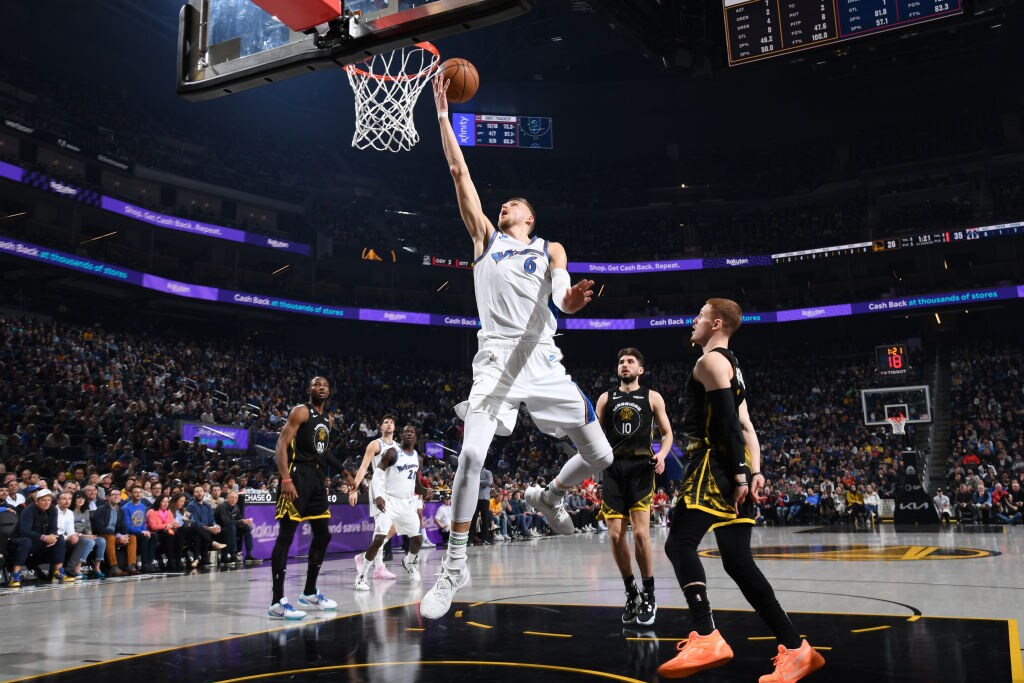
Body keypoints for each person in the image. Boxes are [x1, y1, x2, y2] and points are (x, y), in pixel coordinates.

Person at [421, 71, 614, 620]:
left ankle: (549, 495)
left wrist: (574, 297)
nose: (504, 205)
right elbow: (459, 170)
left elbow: (563, 298)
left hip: (544, 358)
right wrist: (440, 113)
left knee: (601, 457)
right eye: (502, 204)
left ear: (530, 218)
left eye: (513, 205)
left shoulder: (548, 249)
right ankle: (454, 566)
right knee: (473, 456)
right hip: (497, 360)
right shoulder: (484, 239)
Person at [658, 299, 825, 682]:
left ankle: (705, 635)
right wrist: (755, 470)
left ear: (716, 323)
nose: (693, 320)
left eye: (699, 315)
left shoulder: (710, 362)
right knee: (736, 560)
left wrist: (737, 476)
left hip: (714, 465)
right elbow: (748, 427)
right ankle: (798, 649)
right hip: (737, 465)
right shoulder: (734, 368)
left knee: (679, 544)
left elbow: (731, 426)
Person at [595, 347, 673, 626]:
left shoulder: (652, 397)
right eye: (621, 362)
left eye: (630, 362)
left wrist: (662, 455)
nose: (624, 365)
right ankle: (631, 592)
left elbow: (667, 434)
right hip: (613, 470)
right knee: (615, 536)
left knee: (641, 534)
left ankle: (649, 592)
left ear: (640, 369)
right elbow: (594, 435)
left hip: (641, 469)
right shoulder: (606, 398)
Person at [268, 376, 344, 619]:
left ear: (329, 391)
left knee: (324, 534)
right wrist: (285, 479)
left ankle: (309, 592)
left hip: (317, 478)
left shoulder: (327, 418)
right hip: (296, 476)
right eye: (316, 385)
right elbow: (281, 445)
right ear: (309, 389)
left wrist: (344, 471)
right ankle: (277, 601)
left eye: (325, 385)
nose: (321, 387)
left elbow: (324, 450)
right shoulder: (301, 411)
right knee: (286, 536)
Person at [355, 425, 429, 590]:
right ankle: (362, 576)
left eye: (412, 432)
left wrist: (425, 491)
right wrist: (378, 496)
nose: (409, 434)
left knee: (417, 539)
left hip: (407, 502)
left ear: (416, 437)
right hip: (388, 500)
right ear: (401, 435)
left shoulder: (418, 458)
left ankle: (408, 562)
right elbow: (377, 476)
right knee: (379, 538)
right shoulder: (393, 453)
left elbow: (416, 484)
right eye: (406, 431)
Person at [349, 416, 400, 584]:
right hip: (379, 490)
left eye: (391, 422)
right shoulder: (375, 444)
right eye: (385, 422)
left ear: (395, 427)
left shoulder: (398, 447)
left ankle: (365, 557)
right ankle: (378, 567)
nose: (389, 424)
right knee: (382, 528)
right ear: (380, 427)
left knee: (393, 527)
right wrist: (353, 489)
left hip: (393, 491)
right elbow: (363, 467)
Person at [8, 489, 75, 586]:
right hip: (18, 541)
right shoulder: (28, 510)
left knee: (59, 538)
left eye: (49, 500)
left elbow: (53, 528)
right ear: (37, 501)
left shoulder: (53, 510)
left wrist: (52, 536)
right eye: (43, 500)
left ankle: (58, 572)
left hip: (38, 542)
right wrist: (44, 537)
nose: (47, 503)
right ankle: (15, 576)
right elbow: (24, 531)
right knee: (26, 541)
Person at [91, 488, 133, 576]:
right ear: (108, 497)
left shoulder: (121, 510)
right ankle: (113, 567)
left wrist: (124, 536)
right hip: (103, 535)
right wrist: (118, 536)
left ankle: (131, 565)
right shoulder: (101, 510)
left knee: (132, 538)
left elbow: (123, 526)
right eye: (114, 494)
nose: (117, 496)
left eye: (118, 494)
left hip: (116, 536)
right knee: (111, 537)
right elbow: (100, 529)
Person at [216, 490, 258, 565]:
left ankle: (249, 554)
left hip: (232, 528)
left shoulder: (236, 507)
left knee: (246, 528)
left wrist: (245, 522)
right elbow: (226, 522)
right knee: (231, 527)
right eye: (232, 497)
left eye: (235, 498)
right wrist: (241, 522)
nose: (234, 499)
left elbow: (239, 519)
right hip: (220, 529)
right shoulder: (222, 507)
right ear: (227, 498)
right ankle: (233, 554)